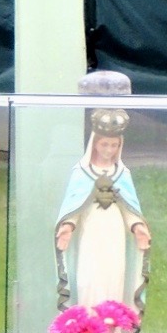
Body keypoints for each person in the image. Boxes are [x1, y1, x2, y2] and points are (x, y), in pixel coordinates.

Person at [54, 104, 149, 319]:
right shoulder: (82, 173)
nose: (109, 150)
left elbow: (130, 209)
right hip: (91, 232)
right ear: (95, 144)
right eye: (105, 144)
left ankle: (110, 323)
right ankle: (88, 322)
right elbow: (74, 205)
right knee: (89, 276)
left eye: (114, 145)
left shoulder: (122, 174)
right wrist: (68, 226)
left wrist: (138, 227)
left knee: (113, 276)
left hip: (114, 233)